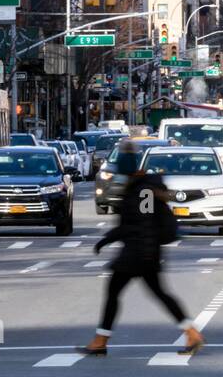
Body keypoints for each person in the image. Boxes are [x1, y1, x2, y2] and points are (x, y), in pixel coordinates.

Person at [80, 141, 203, 357]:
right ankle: (191, 333)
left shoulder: (144, 191)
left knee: (115, 292)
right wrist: (109, 239)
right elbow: (132, 223)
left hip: (139, 253)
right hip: (142, 251)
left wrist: (112, 240)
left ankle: (101, 341)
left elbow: (142, 222)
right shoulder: (139, 187)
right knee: (158, 294)